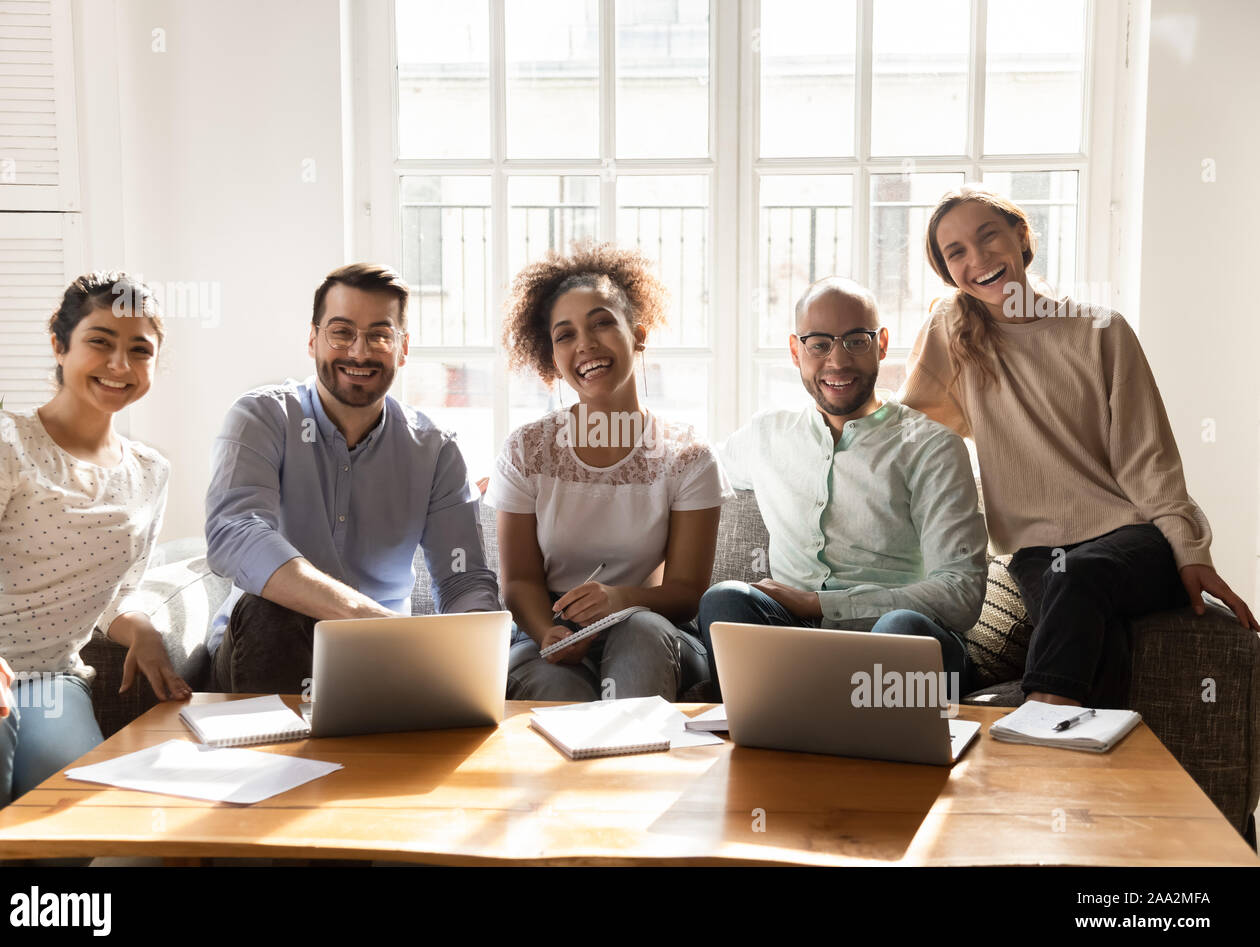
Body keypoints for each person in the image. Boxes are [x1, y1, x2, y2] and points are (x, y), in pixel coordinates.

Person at [900, 184, 1258, 709]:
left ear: (1021, 236)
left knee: (1083, 573)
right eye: (956, 252)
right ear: (948, 271)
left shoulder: (1101, 331)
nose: (977, 258)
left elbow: (1149, 460)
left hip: (1132, 540)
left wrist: (1189, 549)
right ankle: (1083, 772)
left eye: (988, 236)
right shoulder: (953, 331)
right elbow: (913, 429)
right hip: (1037, 553)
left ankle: (1039, 719)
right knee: (1098, 637)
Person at [0, 272, 190, 836]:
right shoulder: (3, 437)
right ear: (60, 346)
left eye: (140, 350)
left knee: (74, 806)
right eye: (100, 341)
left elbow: (117, 595)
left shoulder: (150, 473)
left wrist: (142, 632)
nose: (120, 364)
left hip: (52, 676)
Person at [205, 263, 501, 694]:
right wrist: (366, 618)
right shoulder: (262, 418)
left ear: (402, 349)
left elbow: (462, 579)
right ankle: (271, 761)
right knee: (272, 610)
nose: (359, 353)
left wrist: (473, 653)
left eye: (380, 335)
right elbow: (235, 532)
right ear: (313, 339)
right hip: (260, 647)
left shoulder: (435, 450)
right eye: (341, 332)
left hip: (379, 660)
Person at [697, 277, 987, 700]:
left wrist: (819, 605)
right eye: (819, 344)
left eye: (855, 341)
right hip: (797, 647)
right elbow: (689, 476)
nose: (837, 361)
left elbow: (960, 592)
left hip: (898, 646)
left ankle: (811, 715)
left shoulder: (931, 447)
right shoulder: (766, 436)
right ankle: (785, 721)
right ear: (796, 351)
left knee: (900, 629)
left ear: (881, 344)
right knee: (724, 602)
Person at [487, 242, 732, 702]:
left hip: (655, 633)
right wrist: (548, 633)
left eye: (602, 322)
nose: (585, 344)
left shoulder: (687, 456)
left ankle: (636, 769)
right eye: (565, 335)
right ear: (551, 358)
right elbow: (518, 581)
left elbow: (686, 589)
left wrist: (620, 600)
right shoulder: (526, 451)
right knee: (550, 680)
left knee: (637, 633)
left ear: (638, 335)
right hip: (551, 637)